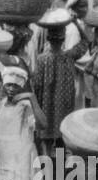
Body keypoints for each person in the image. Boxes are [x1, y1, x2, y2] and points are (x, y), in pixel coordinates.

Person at [0, 66, 46, 180]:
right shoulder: (1, 103)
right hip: (4, 156)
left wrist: (32, 98)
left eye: (15, 86)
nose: (11, 89)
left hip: (21, 156)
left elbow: (42, 124)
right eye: (8, 85)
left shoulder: (26, 106)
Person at [30, 8, 82, 154]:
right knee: (61, 142)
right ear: (63, 38)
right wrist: (76, 23)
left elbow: (37, 85)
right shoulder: (69, 57)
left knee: (45, 143)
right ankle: (59, 173)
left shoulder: (41, 60)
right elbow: (86, 42)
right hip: (64, 106)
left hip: (45, 106)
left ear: (48, 38)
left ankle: (46, 174)